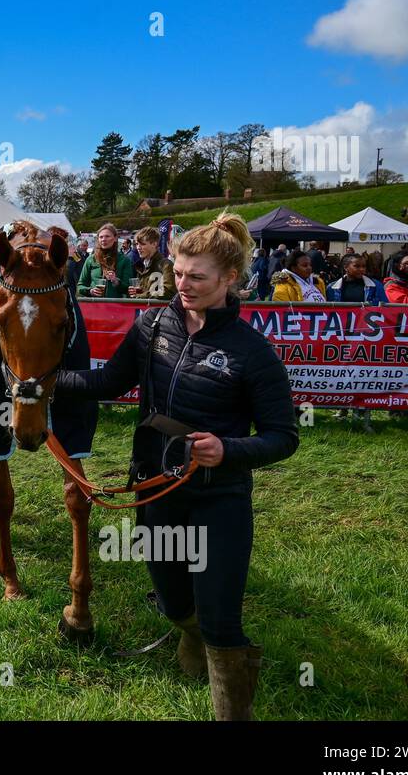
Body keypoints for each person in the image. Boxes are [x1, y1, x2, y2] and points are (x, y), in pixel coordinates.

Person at [53, 212, 298, 720]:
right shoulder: (151, 325)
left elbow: (283, 437)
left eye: (197, 277)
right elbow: (106, 384)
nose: (182, 285)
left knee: (219, 618)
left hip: (218, 497)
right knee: (171, 601)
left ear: (230, 279)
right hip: (154, 491)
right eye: (179, 273)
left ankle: (230, 700)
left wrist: (229, 449)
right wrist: (43, 382)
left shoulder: (254, 353)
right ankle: (188, 634)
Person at [77, 223, 133, 298]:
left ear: (115, 238)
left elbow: (129, 288)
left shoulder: (124, 260)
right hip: (95, 306)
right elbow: (80, 286)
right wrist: (90, 291)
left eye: (107, 236)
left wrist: (116, 281)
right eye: (101, 237)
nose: (103, 239)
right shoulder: (91, 259)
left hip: (117, 306)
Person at [129, 226, 175, 300]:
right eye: (137, 244)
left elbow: (168, 291)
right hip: (144, 310)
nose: (138, 247)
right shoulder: (141, 265)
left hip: (158, 310)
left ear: (154, 244)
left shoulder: (166, 264)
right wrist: (138, 292)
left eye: (143, 244)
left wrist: (141, 295)